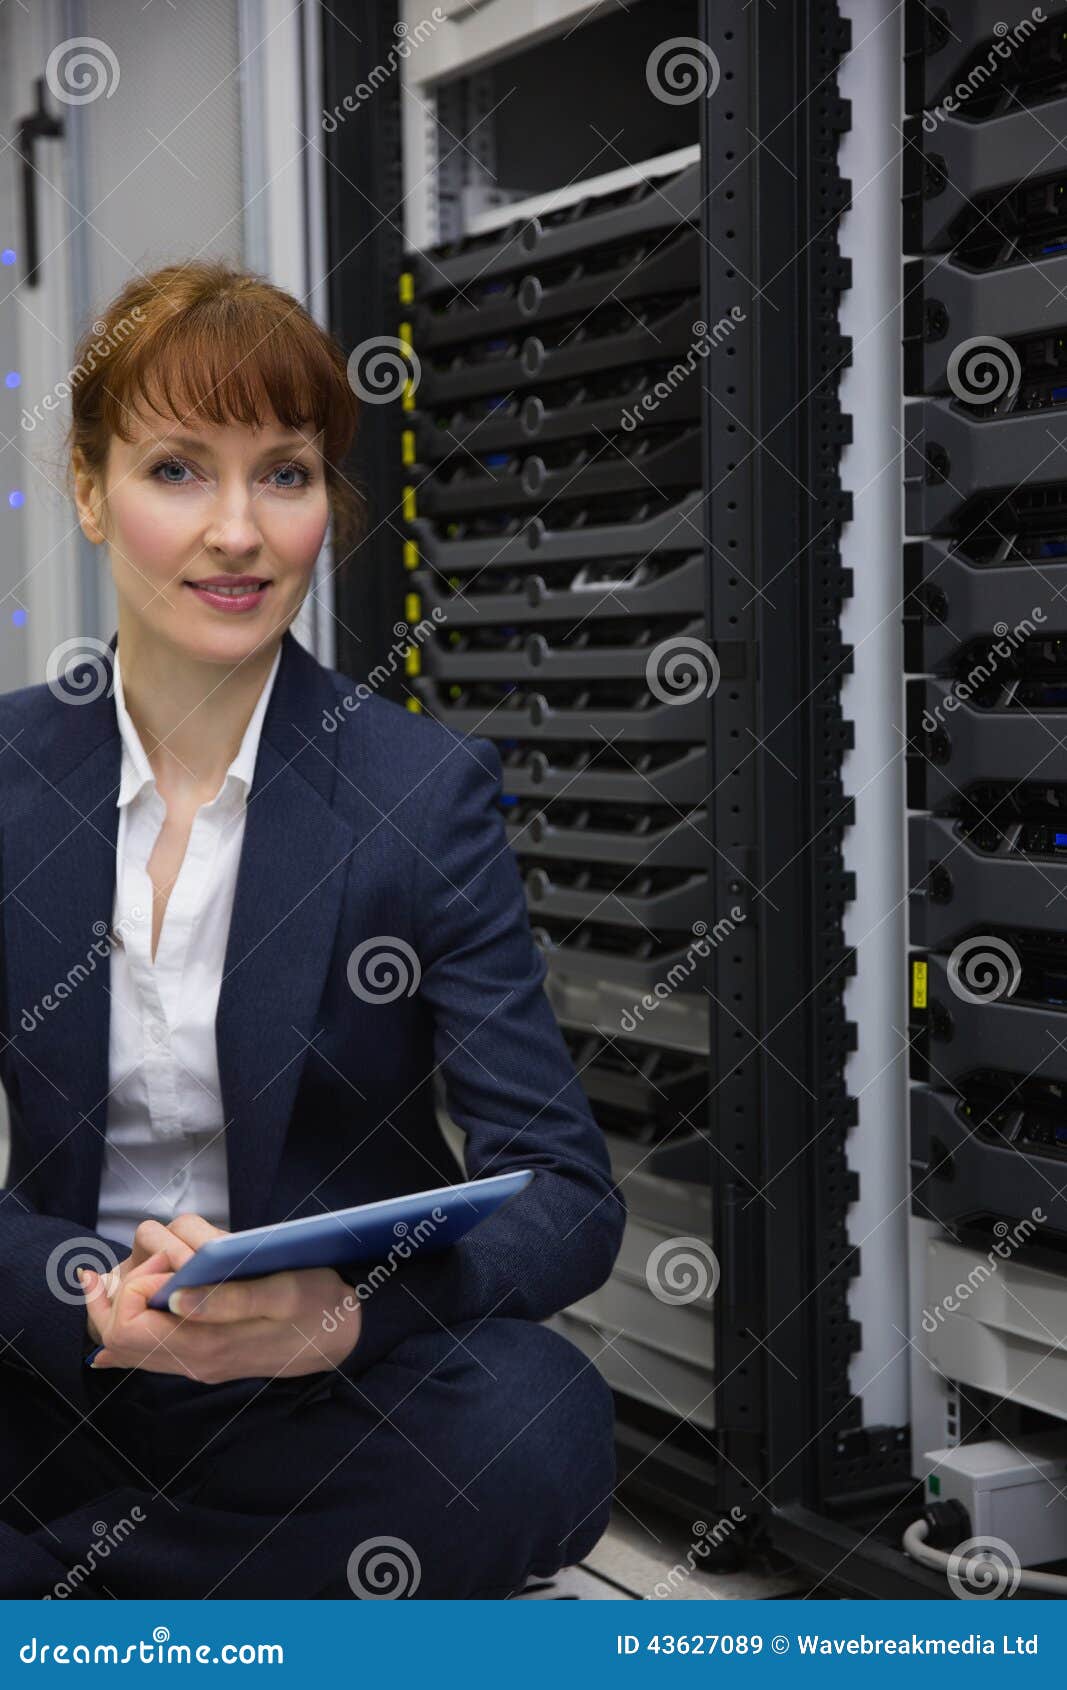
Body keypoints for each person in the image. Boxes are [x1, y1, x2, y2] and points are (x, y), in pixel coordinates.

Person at [0, 260, 625, 1599]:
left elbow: (568, 1197)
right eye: (178, 470)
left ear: (321, 507)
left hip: (320, 1381)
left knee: (536, 1430)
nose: (238, 530)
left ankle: (65, 1591)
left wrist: (337, 1314)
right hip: (59, 1351)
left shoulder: (417, 792)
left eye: (281, 474)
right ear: (91, 489)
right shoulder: (3, 778)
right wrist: (86, 1290)